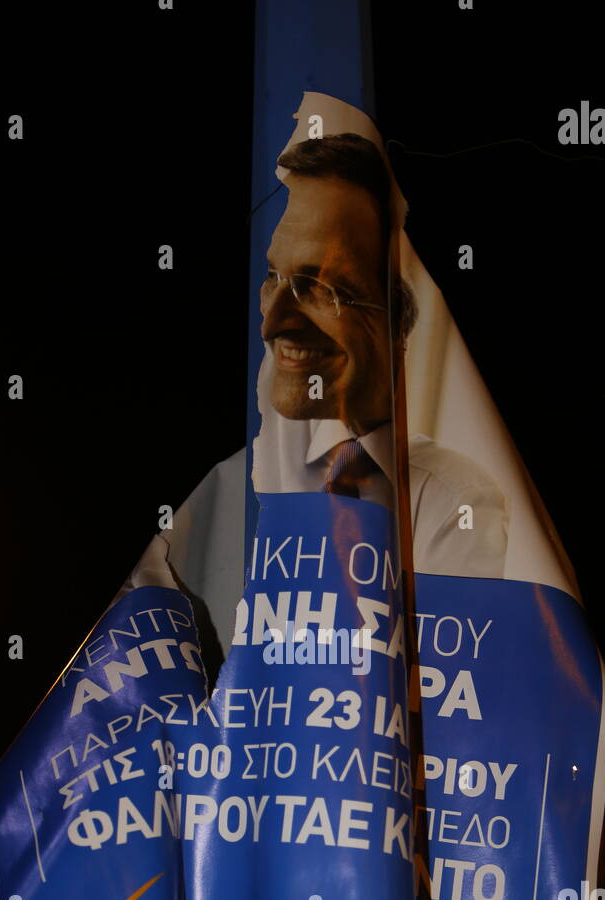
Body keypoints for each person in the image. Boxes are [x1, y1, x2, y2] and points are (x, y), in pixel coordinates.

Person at [118, 134, 508, 674]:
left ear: (397, 322)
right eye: (273, 278)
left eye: (323, 289)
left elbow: (455, 694)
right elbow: (125, 668)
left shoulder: (454, 502)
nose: (274, 322)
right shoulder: (224, 495)